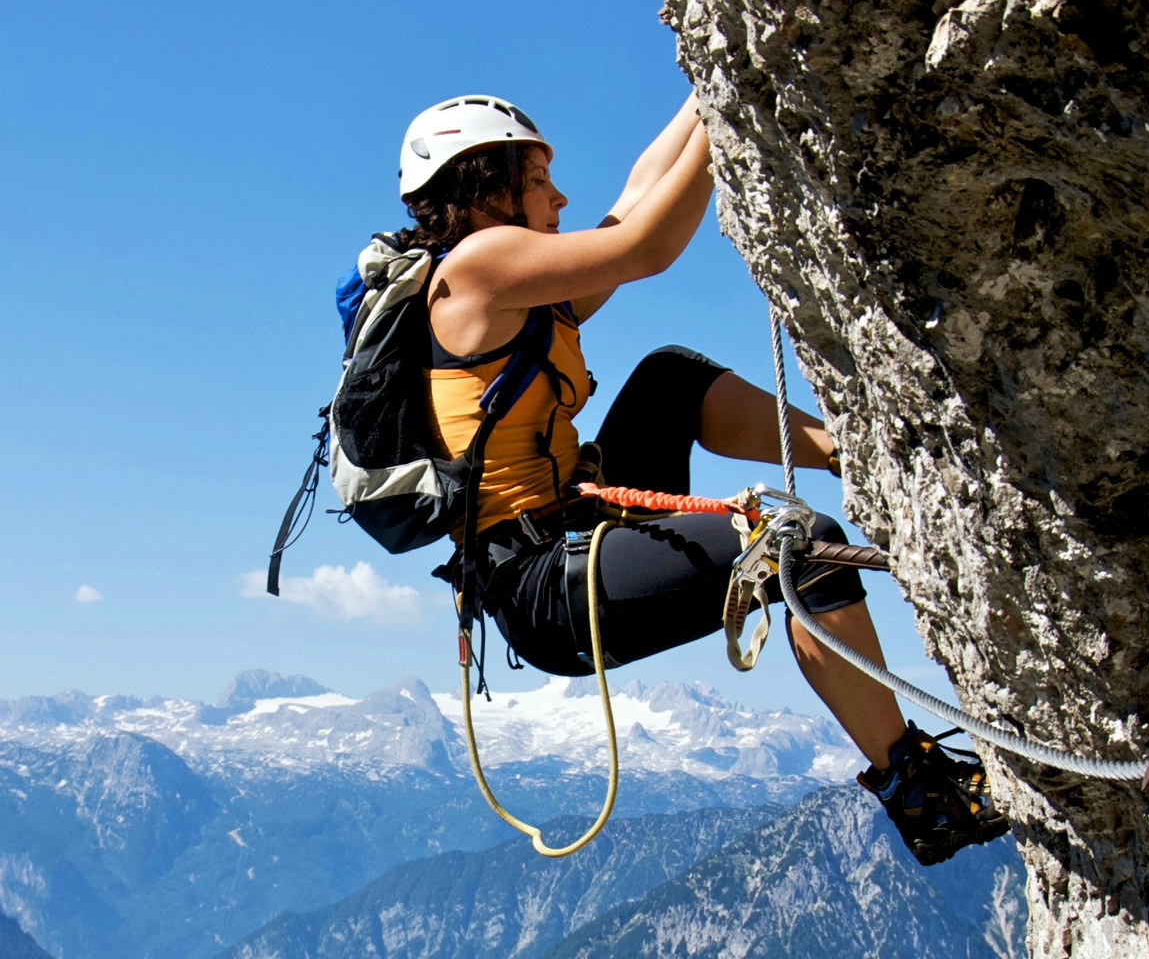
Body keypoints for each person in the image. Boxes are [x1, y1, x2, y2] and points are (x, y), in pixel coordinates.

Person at [392, 91, 1007, 865]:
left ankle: (858, 452)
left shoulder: (510, 288)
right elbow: (645, 245)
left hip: (566, 531)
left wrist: (712, 89)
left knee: (667, 379)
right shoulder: (480, 269)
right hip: (544, 585)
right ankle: (918, 791)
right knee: (799, 548)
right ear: (487, 188)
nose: (560, 198)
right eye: (541, 179)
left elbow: (631, 204)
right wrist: (739, 116)